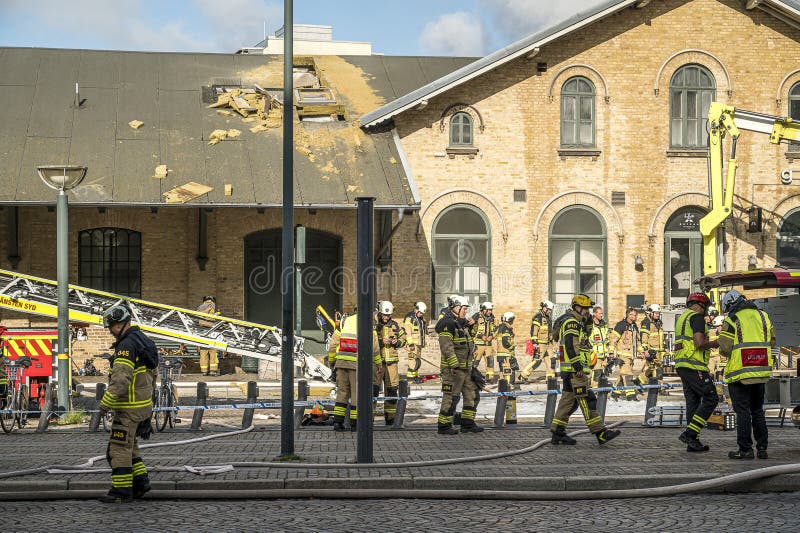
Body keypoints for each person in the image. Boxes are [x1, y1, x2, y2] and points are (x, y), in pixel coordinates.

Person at [98, 303, 158, 503]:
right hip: (142, 407)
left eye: (110, 327)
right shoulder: (144, 341)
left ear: (117, 325)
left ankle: (121, 492)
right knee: (130, 446)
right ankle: (141, 483)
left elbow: (120, 380)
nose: (110, 331)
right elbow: (153, 375)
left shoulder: (126, 346)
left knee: (118, 449)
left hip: (128, 409)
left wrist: (104, 405)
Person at [550, 294, 621, 446]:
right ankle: (601, 433)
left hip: (571, 370)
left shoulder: (577, 322)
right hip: (576, 371)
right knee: (587, 400)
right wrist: (577, 366)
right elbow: (570, 345)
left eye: (589, 309)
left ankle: (558, 433)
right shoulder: (571, 323)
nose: (588, 312)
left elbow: (586, 336)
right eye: (586, 309)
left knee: (568, 403)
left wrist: (587, 322)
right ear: (578, 308)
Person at [718, 289, 776, 460]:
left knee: (742, 411)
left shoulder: (732, 319)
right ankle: (762, 448)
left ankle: (745, 449)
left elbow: (725, 348)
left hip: (740, 374)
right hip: (761, 371)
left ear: (731, 304)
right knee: (757, 410)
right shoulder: (763, 316)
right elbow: (772, 341)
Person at [674, 292, 720, 453]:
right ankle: (690, 434)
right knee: (711, 398)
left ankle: (693, 442)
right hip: (695, 365)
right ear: (701, 305)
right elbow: (699, 343)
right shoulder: (697, 318)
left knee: (693, 403)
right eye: (706, 307)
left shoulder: (683, 317)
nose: (706, 311)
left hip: (683, 364)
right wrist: (715, 343)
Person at [436, 295, 483, 434]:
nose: (465, 311)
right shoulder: (447, 323)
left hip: (466, 368)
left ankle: (467, 424)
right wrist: (454, 365)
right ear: (456, 307)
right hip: (453, 370)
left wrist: (472, 325)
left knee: (472, 394)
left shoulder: (460, 323)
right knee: (451, 397)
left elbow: (469, 342)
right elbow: (446, 347)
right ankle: (444, 426)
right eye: (464, 308)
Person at [327, 313, 380, 432]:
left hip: (341, 363)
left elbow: (333, 344)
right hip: (356, 365)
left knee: (342, 393)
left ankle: (337, 422)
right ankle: (355, 424)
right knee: (357, 394)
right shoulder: (368, 322)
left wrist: (332, 361)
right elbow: (375, 348)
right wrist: (378, 363)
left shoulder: (344, 321)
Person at [375, 301, 407, 425]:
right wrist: (381, 341)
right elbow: (369, 340)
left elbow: (403, 339)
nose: (386, 317)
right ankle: (370, 418)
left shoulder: (395, 325)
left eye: (388, 315)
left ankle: (391, 418)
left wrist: (397, 342)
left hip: (392, 363)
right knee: (374, 390)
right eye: (384, 315)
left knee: (392, 390)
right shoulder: (375, 325)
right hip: (377, 363)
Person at [608, 307, 643, 400]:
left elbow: (638, 342)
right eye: (632, 314)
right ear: (627, 315)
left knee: (623, 375)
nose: (634, 316)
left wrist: (642, 352)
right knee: (628, 374)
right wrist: (611, 352)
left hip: (631, 356)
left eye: (635, 315)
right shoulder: (621, 325)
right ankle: (631, 396)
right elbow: (613, 339)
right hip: (623, 355)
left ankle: (615, 394)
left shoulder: (634, 326)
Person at [518, 300, 556, 383]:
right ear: (544, 308)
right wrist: (535, 343)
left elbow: (550, 331)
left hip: (548, 344)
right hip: (540, 344)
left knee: (552, 360)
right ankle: (523, 376)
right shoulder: (538, 317)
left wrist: (553, 344)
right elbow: (534, 331)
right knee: (537, 361)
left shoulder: (548, 318)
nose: (549, 311)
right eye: (548, 309)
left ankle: (550, 379)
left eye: (550, 310)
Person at [638, 304, 665, 386]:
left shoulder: (658, 323)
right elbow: (644, 338)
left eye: (658, 313)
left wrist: (665, 347)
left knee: (653, 369)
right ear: (651, 313)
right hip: (651, 352)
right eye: (656, 313)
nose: (658, 315)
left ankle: (638, 382)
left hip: (658, 352)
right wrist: (646, 350)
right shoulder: (646, 322)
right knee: (657, 370)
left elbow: (661, 337)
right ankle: (660, 387)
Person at [471, 302, 497, 383]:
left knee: (490, 361)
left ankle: (490, 378)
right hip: (478, 345)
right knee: (475, 362)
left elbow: (496, 330)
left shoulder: (492, 318)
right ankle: (470, 377)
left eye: (491, 310)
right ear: (483, 310)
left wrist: (492, 336)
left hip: (488, 345)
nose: (490, 312)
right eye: (488, 310)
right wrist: (480, 336)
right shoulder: (476, 316)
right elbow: (471, 330)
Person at [403, 302, 427, 383]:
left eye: (422, 313)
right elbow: (407, 332)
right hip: (413, 344)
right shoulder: (410, 318)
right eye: (420, 312)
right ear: (416, 309)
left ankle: (415, 377)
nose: (421, 314)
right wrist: (410, 344)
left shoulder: (420, 319)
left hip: (419, 344)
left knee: (417, 361)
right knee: (412, 361)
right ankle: (410, 379)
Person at [197, 295, 220, 376]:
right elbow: (218, 318)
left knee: (203, 353)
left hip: (202, 332)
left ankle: (204, 371)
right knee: (213, 352)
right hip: (213, 332)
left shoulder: (200, 307)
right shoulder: (215, 307)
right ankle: (213, 371)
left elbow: (196, 318)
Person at [588, 306, 610, 389]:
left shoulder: (604, 325)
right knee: (596, 373)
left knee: (602, 374)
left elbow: (607, 338)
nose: (601, 315)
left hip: (604, 355)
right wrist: (590, 351)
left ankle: (597, 389)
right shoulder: (590, 325)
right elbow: (587, 339)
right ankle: (594, 390)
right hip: (595, 355)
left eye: (602, 313)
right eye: (600, 313)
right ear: (594, 313)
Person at [495, 311, 516, 384]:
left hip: (501, 355)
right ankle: (508, 390)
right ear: (509, 319)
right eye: (512, 319)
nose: (513, 321)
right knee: (508, 373)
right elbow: (505, 342)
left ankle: (502, 392)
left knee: (502, 373)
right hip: (506, 354)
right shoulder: (506, 328)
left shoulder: (501, 327)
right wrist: (512, 347)